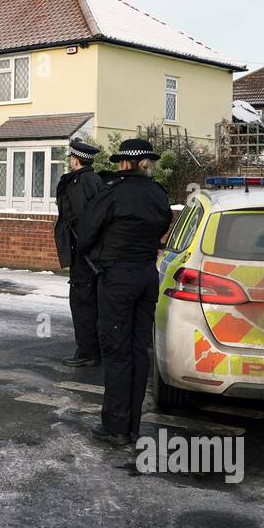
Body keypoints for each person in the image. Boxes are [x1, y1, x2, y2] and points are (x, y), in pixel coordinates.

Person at [74, 138, 173, 443]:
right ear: (146, 163)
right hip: (147, 275)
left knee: (117, 352)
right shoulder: (158, 193)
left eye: (119, 162)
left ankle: (116, 427)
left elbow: (87, 232)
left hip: (118, 278)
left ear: (125, 163)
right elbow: (164, 224)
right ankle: (132, 425)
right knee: (138, 350)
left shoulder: (113, 193)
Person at [52, 137, 105, 367]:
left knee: (82, 303)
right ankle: (95, 349)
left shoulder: (78, 184)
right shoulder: (96, 180)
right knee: (94, 302)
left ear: (76, 161)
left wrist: (80, 249)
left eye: (71, 159)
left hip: (83, 254)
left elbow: (82, 221)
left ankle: (87, 352)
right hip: (94, 254)